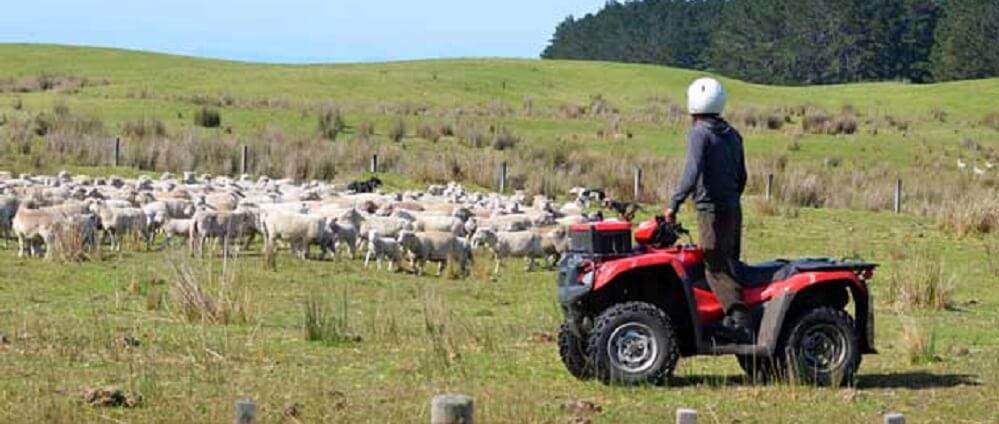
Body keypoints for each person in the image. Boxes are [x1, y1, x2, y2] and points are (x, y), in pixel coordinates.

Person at [664, 77, 750, 342]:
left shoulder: (699, 133)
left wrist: (673, 204)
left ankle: (737, 319)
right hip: (733, 208)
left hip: (710, 210)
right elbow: (742, 176)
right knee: (729, 261)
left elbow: (692, 171)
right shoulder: (733, 134)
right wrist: (731, 199)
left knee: (714, 265)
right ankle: (724, 314)